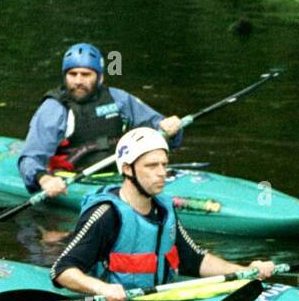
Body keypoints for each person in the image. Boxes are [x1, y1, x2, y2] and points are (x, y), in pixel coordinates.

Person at [50, 127, 277, 301]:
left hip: (159, 300)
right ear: (128, 169)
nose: (161, 173)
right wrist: (102, 289)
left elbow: (194, 260)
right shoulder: (106, 214)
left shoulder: (164, 209)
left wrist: (245, 271)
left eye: (164, 165)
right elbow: (61, 270)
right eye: (151, 166)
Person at [18, 42, 184, 198]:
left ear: (100, 77)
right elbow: (30, 158)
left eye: (86, 74)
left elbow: (158, 128)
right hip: (75, 179)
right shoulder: (54, 109)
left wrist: (170, 129)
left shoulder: (119, 99)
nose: (78, 81)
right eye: (72, 74)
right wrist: (45, 179)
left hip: (122, 174)